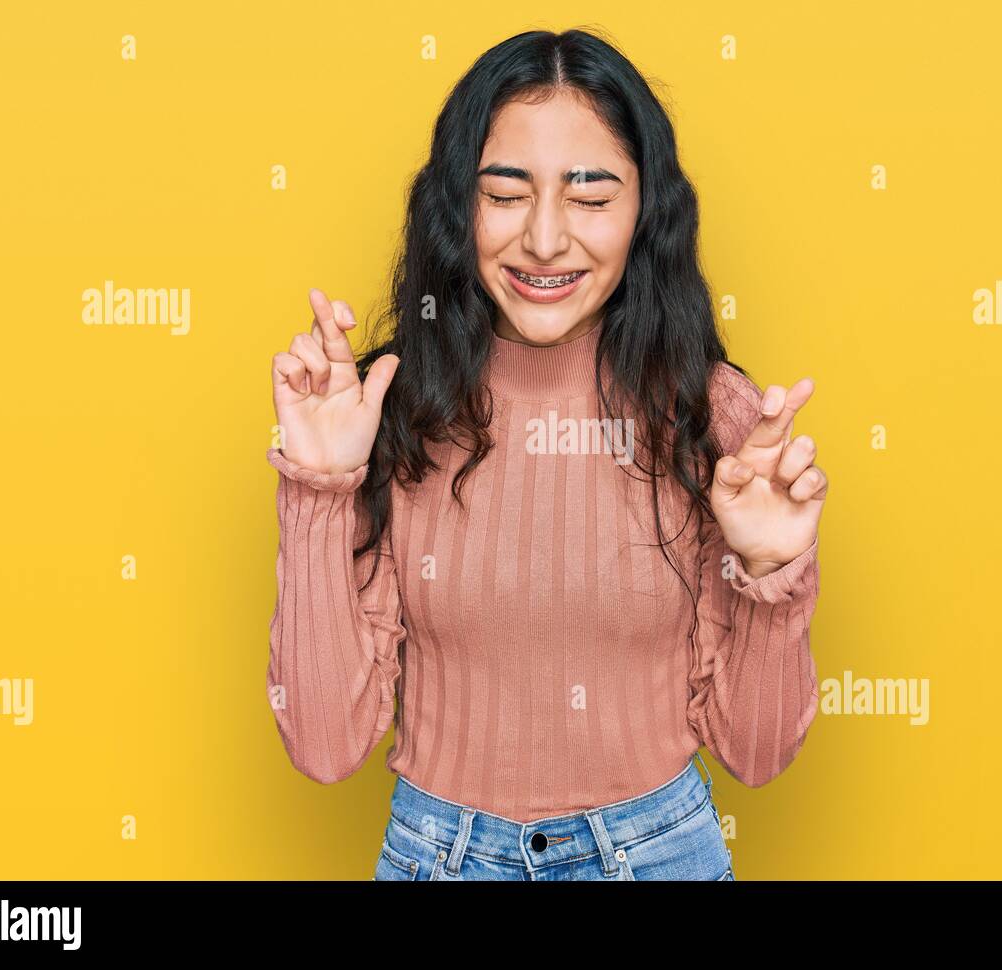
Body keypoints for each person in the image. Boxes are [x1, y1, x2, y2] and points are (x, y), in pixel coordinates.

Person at [264, 27, 828, 881]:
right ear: (458, 207)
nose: (544, 238)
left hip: (661, 854)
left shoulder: (718, 421)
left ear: (647, 211)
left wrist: (773, 574)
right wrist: (320, 488)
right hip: (438, 857)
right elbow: (324, 747)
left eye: (590, 197)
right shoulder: (386, 407)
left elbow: (756, 755)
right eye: (505, 193)